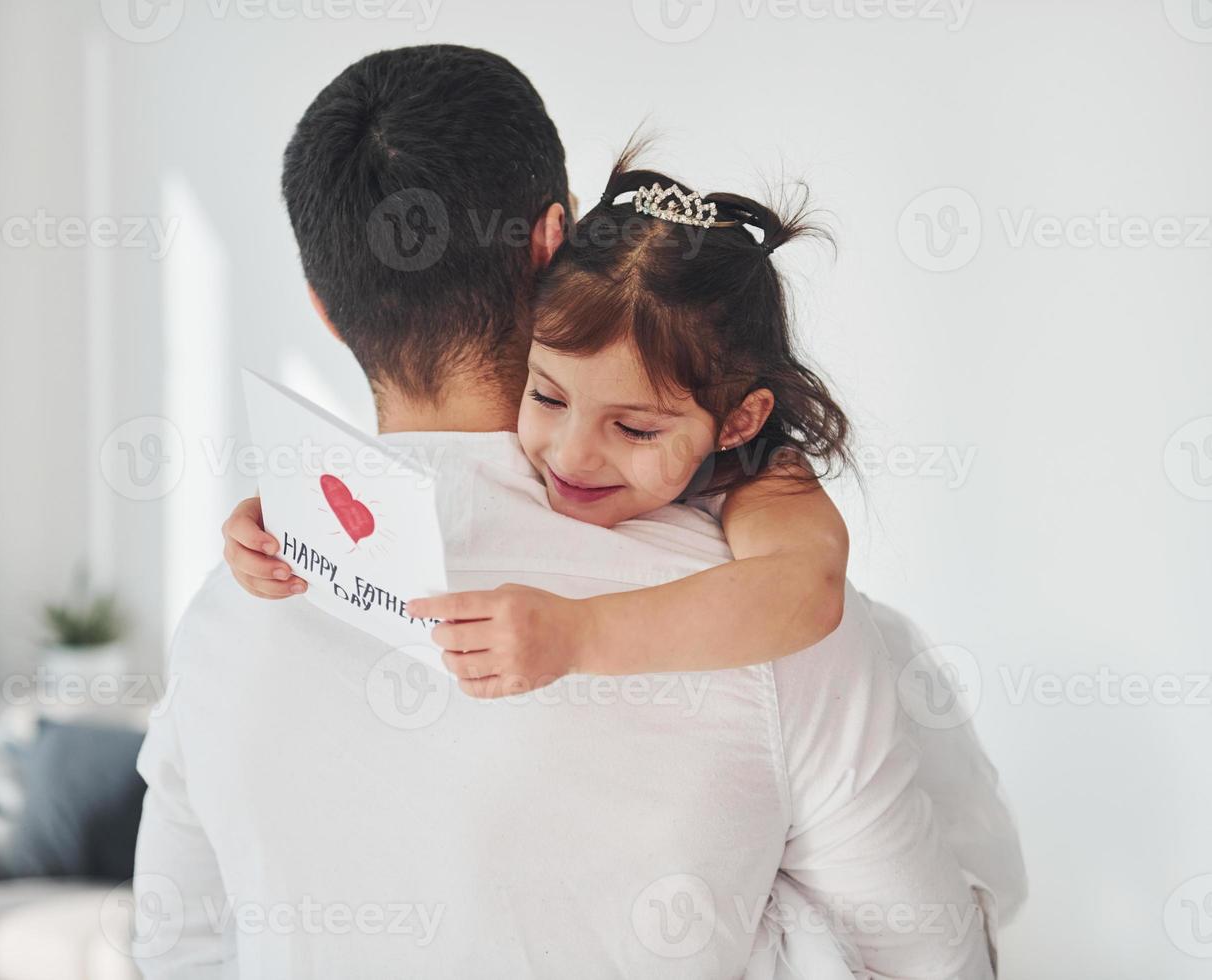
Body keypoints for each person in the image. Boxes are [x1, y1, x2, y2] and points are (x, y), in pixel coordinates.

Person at [134, 44, 1007, 978]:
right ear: (552, 241)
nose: (583, 450)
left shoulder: (228, 613)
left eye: (632, 425)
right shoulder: (761, 619)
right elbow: (933, 962)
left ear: (323, 305)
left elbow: (174, 955)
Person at [222, 141, 852, 693]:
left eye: (635, 429)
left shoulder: (762, 475)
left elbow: (806, 590)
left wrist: (579, 634)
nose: (572, 454)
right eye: (547, 397)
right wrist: (277, 518)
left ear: (739, 421)